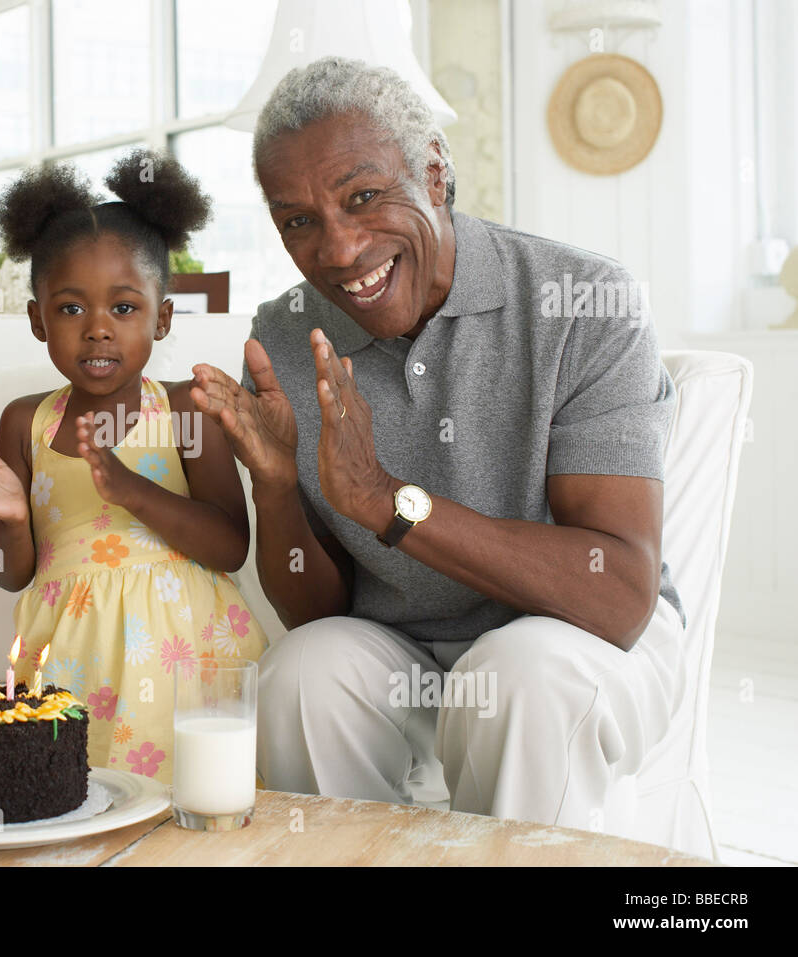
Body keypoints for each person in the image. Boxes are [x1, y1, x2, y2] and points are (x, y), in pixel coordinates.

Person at [191, 57, 689, 836]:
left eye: (363, 197)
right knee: (299, 673)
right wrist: (280, 489)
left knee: (522, 673)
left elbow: (619, 595)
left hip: (584, 647)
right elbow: (317, 612)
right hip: (407, 647)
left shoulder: (585, 303)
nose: (341, 249)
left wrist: (389, 503)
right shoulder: (286, 335)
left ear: (433, 174)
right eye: (299, 221)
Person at [0, 151, 267, 783]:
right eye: (69, 309)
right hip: (71, 663)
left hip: (185, 660)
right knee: (79, 805)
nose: (97, 331)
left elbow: (230, 547)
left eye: (122, 308)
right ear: (36, 320)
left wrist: (131, 489)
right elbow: (11, 574)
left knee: (189, 812)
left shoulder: (182, 408)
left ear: (162, 317)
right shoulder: (23, 422)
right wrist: (10, 519)